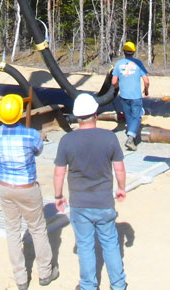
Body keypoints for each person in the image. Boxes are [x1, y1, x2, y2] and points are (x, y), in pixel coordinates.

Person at [54, 93, 127, 290]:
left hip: (79, 203)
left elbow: (59, 173)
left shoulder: (66, 141)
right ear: (96, 114)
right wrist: (121, 188)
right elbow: (119, 168)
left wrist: (59, 196)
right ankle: (118, 284)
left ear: (77, 117)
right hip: (103, 201)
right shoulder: (109, 138)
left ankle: (88, 285)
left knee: (85, 245)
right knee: (110, 243)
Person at [0, 93, 59, 290]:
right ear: (19, 113)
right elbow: (38, 150)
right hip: (27, 188)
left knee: (12, 231)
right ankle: (45, 273)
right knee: (37, 228)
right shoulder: (30, 135)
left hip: (5, 187)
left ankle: (20, 279)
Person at [112, 41, 149, 151]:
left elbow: (114, 82)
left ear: (124, 51)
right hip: (136, 96)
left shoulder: (119, 64)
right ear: (133, 52)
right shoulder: (138, 63)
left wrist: (120, 85)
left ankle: (130, 136)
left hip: (124, 96)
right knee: (137, 116)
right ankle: (131, 138)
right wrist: (146, 90)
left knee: (128, 116)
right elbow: (146, 81)